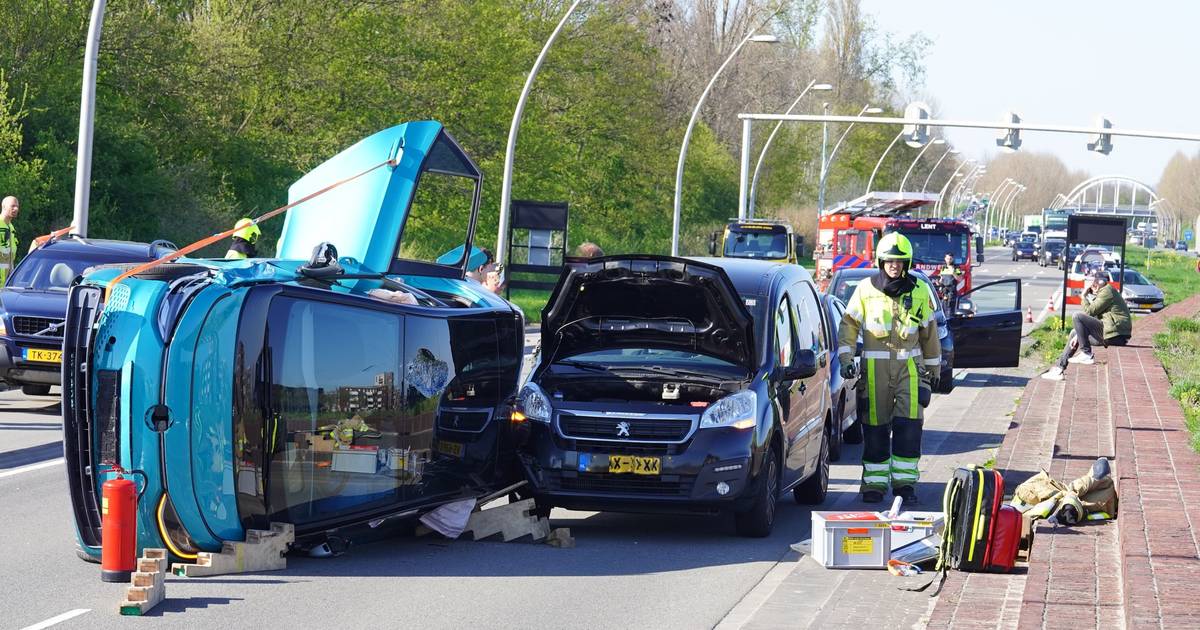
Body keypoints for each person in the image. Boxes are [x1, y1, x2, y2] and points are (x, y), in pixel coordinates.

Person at [838, 232, 941, 504]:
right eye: (889, 261)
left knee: (909, 428)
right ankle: (873, 486)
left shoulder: (919, 290)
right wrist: (846, 360)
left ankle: (905, 485)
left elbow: (929, 332)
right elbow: (848, 326)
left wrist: (934, 370)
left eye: (899, 261)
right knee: (874, 429)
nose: (894, 266)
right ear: (880, 262)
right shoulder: (865, 289)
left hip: (909, 369)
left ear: (906, 263)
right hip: (874, 371)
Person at [1042, 270, 1131, 381]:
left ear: (1099, 282)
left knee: (1077, 316)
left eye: (1095, 282)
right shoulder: (1105, 292)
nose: (1093, 285)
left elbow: (1089, 312)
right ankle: (1059, 369)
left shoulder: (1107, 291)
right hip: (1113, 333)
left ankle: (1086, 353)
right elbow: (1094, 317)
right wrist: (1079, 335)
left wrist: (1084, 296)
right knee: (1074, 333)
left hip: (1116, 334)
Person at [0, 196, 19, 286]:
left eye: (17, 206)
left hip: (6, 285)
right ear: (3, 206)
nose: (16, 209)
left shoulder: (11, 227)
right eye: (13, 206)